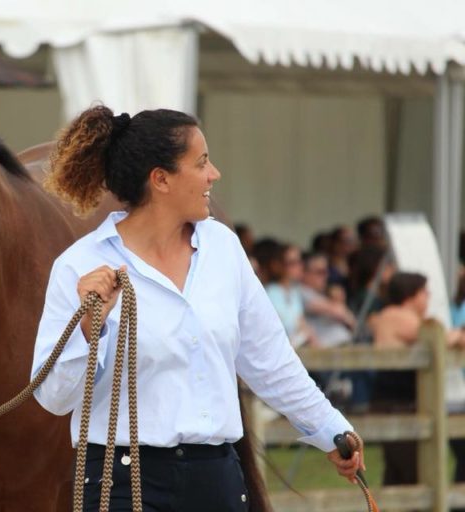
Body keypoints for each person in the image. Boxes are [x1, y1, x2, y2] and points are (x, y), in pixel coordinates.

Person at [31, 106, 362, 511]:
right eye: (202, 162)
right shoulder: (78, 266)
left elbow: (269, 360)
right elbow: (53, 397)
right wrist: (88, 329)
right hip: (121, 484)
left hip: (216, 478)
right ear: (161, 179)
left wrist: (331, 430)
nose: (214, 174)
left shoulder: (223, 248)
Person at [370, 272, 464, 485]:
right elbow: (436, 338)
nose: (428, 296)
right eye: (424, 292)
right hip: (394, 404)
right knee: (412, 472)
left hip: (404, 403)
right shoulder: (395, 314)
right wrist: (458, 335)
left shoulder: (406, 317)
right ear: (411, 294)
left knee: (399, 475)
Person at [264, 243, 317, 348]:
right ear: (277, 265)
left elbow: (301, 324)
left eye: (300, 262)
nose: (299, 266)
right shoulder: (270, 293)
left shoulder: (294, 292)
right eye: (292, 263)